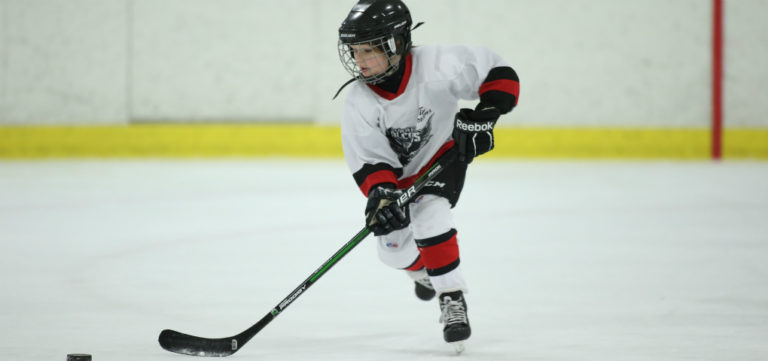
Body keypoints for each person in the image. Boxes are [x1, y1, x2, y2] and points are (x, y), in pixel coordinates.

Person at [336, 0, 519, 350]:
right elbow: (370, 162)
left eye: (368, 51)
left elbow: (498, 72)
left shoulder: (438, 64)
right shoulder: (359, 100)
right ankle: (424, 273)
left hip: (442, 158)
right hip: (398, 180)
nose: (359, 61)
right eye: (354, 52)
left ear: (396, 43)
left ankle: (451, 295)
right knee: (391, 250)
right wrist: (382, 196)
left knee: (431, 216)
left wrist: (488, 112)